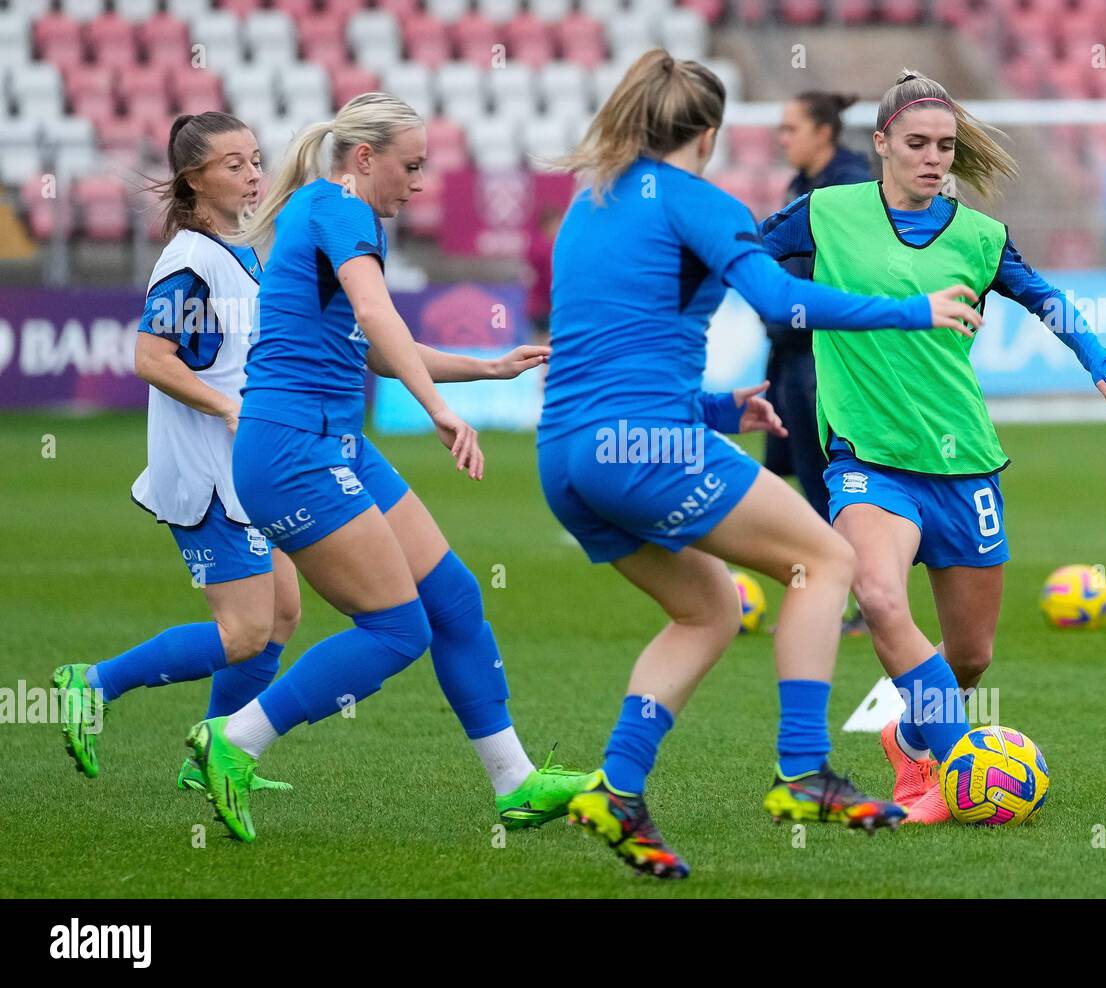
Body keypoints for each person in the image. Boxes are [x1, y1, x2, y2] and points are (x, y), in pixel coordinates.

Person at [541, 50, 985, 878]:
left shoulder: (589, 204)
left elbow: (602, 352)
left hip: (566, 455)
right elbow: (781, 301)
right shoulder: (697, 201)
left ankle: (619, 789)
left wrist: (716, 411)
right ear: (708, 132)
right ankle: (803, 770)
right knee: (827, 558)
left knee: (707, 610)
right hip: (642, 447)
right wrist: (911, 309)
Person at [178, 93, 591, 842]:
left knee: (456, 601)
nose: (420, 181)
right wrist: (437, 408)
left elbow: (367, 342)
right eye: (412, 165)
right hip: (292, 449)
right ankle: (232, 740)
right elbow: (376, 317)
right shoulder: (342, 210)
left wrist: (488, 370)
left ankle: (515, 782)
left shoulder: (320, 209)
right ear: (364, 159)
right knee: (398, 630)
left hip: (332, 444)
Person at [760, 69, 1106, 824]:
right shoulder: (825, 213)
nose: (934, 158)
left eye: (945, 145)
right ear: (880, 144)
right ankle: (961, 764)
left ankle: (908, 738)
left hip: (965, 464)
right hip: (868, 462)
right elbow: (736, 254)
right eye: (916, 144)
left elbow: (1049, 301)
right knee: (875, 592)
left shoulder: (980, 236)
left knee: (970, 658)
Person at [52, 112, 298, 793]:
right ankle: (92, 683)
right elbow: (150, 356)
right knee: (246, 631)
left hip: (247, 469)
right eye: (234, 165)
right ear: (194, 179)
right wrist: (226, 407)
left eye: (255, 160)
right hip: (206, 474)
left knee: (282, 615)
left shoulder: (239, 248)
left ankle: (209, 756)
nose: (252, 174)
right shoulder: (190, 259)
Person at [766, 92, 874, 529]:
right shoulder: (803, 183)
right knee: (813, 485)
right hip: (793, 351)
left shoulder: (848, 187)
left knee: (836, 485)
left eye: (792, 129)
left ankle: (862, 585)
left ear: (824, 132)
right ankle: (840, 587)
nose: (782, 139)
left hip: (825, 353)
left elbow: (835, 272)